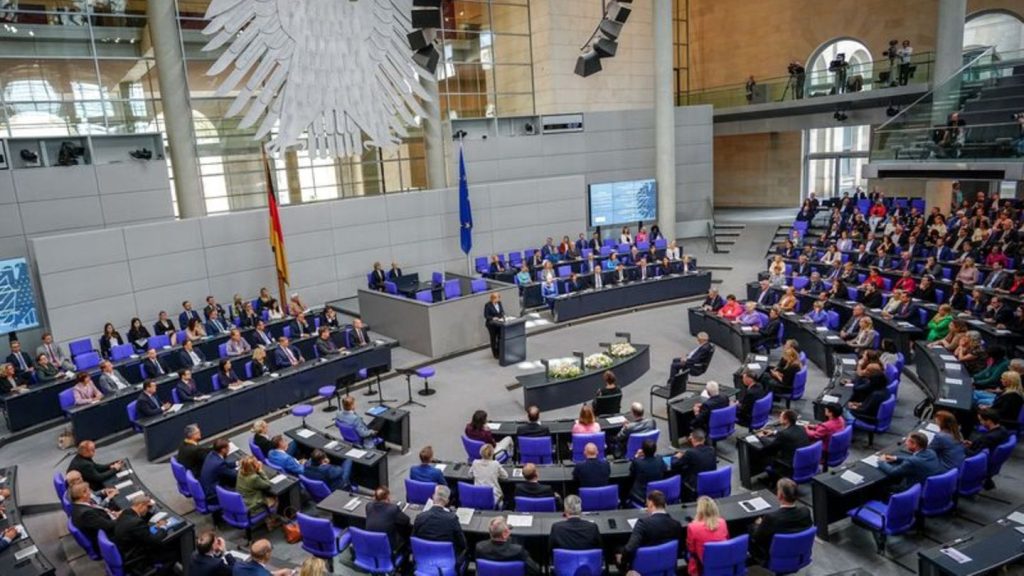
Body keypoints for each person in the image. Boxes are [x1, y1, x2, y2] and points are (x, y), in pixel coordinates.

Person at [749, 478, 813, 565]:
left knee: (746, 531)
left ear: (780, 495)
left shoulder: (772, 517)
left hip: (772, 556)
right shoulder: (805, 511)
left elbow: (756, 537)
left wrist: (757, 524)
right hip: (798, 552)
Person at [618, 490, 684, 571]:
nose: (647, 509)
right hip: (666, 569)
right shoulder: (676, 525)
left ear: (651, 504)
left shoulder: (642, 524)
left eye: (647, 505)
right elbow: (679, 550)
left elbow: (629, 549)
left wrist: (622, 560)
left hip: (644, 569)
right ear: (665, 505)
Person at [114, 494, 175, 571]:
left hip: (125, 550)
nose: (148, 510)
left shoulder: (125, 513)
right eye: (148, 507)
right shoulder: (136, 523)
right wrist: (163, 527)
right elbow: (155, 540)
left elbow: (140, 530)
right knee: (171, 553)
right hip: (136, 557)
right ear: (141, 505)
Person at [412, 485, 467, 561]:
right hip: (446, 562)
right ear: (447, 501)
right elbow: (462, 543)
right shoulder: (452, 519)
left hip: (424, 560)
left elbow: (414, 540)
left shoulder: (420, 517)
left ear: (433, 497)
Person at [878, 432, 943, 492]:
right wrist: (895, 458)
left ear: (914, 445)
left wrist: (881, 461)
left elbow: (893, 472)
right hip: (927, 487)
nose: (905, 443)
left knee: (881, 487)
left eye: (907, 441)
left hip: (912, 491)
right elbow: (915, 459)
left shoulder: (912, 461)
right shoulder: (931, 452)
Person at [476, 516, 541, 575]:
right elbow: (535, 571)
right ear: (504, 534)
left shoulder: (480, 547)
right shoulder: (518, 551)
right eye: (508, 529)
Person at [757, 410, 811, 479]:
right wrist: (774, 432)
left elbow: (771, 447)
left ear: (786, 420)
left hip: (790, 465)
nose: (779, 418)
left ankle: (772, 476)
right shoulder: (801, 428)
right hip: (803, 462)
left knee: (765, 451)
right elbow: (788, 434)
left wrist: (761, 437)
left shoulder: (784, 434)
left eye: (781, 417)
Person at [685, 496, 730, 575]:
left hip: (703, 567)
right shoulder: (722, 522)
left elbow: (691, 550)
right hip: (723, 562)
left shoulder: (692, 527)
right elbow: (727, 539)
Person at [69, 482, 119, 551]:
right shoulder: (86, 514)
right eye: (88, 490)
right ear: (84, 494)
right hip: (110, 537)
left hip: (106, 525)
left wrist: (114, 513)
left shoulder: (78, 506)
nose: (90, 492)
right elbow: (107, 526)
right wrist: (122, 517)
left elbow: (99, 516)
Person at [670, 429, 716, 502]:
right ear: (703, 439)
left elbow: (674, 464)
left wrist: (676, 456)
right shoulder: (711, 450)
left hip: (694, 486)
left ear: (693, 439)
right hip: (711, 482)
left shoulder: (690, 453)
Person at [235, 457, 280, 530]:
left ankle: (267, 519)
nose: (258, 462)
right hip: (253, 506)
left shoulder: (241, 472)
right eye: (256, 462)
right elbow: (267, 484)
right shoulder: (254, 478)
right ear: (253, 466)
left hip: (243, 502)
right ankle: (271, 522)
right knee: (276, 498)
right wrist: (260, 470)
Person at [366, 486, 411, 554]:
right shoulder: (393, 509)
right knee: (407, 531)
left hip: (371, 543)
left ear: (374, 498)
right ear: (387, 497)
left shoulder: (368, 506)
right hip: (389, 548)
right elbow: (406, 520)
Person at [628, 439, 666, 505]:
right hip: (658, 493)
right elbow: (665, 468)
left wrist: (636, 456)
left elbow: (632, 470)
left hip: (642, 496)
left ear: (643, 451)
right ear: (655, 450)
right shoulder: (660, 459)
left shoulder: (637, 462)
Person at [483, 292, 506, 359]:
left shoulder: (499, 303)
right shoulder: (488, 305)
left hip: (499, 323)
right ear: (493, 299)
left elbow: (502, 311)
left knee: (499, 337)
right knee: (493, 339)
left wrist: (503, 315)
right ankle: (495, 354)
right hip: (491, 324)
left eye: (499, 298)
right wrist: (493, 318)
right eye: (497, 298)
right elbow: (486, 315)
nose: (499, 299)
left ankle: (500, 351)